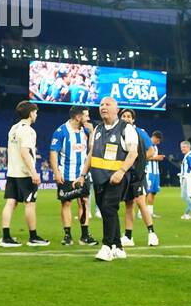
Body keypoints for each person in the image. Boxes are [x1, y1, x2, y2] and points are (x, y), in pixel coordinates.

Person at [86, 97, 139, 261]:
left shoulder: (127, 129)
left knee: (109, 207)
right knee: (107, 210)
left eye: (107, 104)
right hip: (98, 178)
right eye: (101, 104)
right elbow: (91, 153)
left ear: (117, 109)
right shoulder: (97, 129)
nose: (103, 107)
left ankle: (107, 246)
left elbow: (133, 153)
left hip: (117, 177)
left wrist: (121, 171)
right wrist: (82, 175)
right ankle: (118, 247)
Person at [0, 101, 49, 248]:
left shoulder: (13, 128)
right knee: (30, 204)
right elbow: (25, 152)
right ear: (31, 113)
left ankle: (6, 236)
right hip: (25, 174)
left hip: (12, 172)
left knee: (10, 203)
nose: (36, 114)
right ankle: (33, 237)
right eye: (35, 112)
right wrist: (33, 172)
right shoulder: (28, 130)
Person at [49, 105, 96, 246]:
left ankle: (85, 236)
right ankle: (67, 235)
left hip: (82, 174)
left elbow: (92, 149)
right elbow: (53, 152)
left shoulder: (86, 130)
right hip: (66, 175)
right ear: (78, 117)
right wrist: (56, 172)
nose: (88, 118)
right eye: (86, 115)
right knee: (66, 203)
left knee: (84, 203)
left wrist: (92, 132)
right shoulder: (61, 131)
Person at [119, 108, 158, 247]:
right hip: (125, 174)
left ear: (133, 119)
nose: (126, 118)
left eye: (129, 116)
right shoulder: (118, 133)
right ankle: (128, 237)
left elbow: (151, 151)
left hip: (138, 173)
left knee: (141, 203)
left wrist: (137, 160)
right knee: (129, 205)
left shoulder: (140, 132)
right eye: (124, 116)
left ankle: (152, 233)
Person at [145, 131, 165, 220]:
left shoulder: (155, 147)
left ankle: (150, 212)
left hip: (156, 172)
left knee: (153, 192)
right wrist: (156, 158)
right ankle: (141, 212)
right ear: (155, 137)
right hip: (149, 172)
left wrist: (158, 158)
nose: (158, 142)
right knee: (146, 192)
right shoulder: (146, 144)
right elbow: (143, 157)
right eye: (158, 140)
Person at [178, 140, 191, 219]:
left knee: (184, 196)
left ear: (189, 147)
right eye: (181, 147)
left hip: (188, 178)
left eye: (184, 147)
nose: (182, 149)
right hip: (188, 177)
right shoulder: (188, 155)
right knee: (189, 197)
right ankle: (186, 214)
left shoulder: (189, 156)